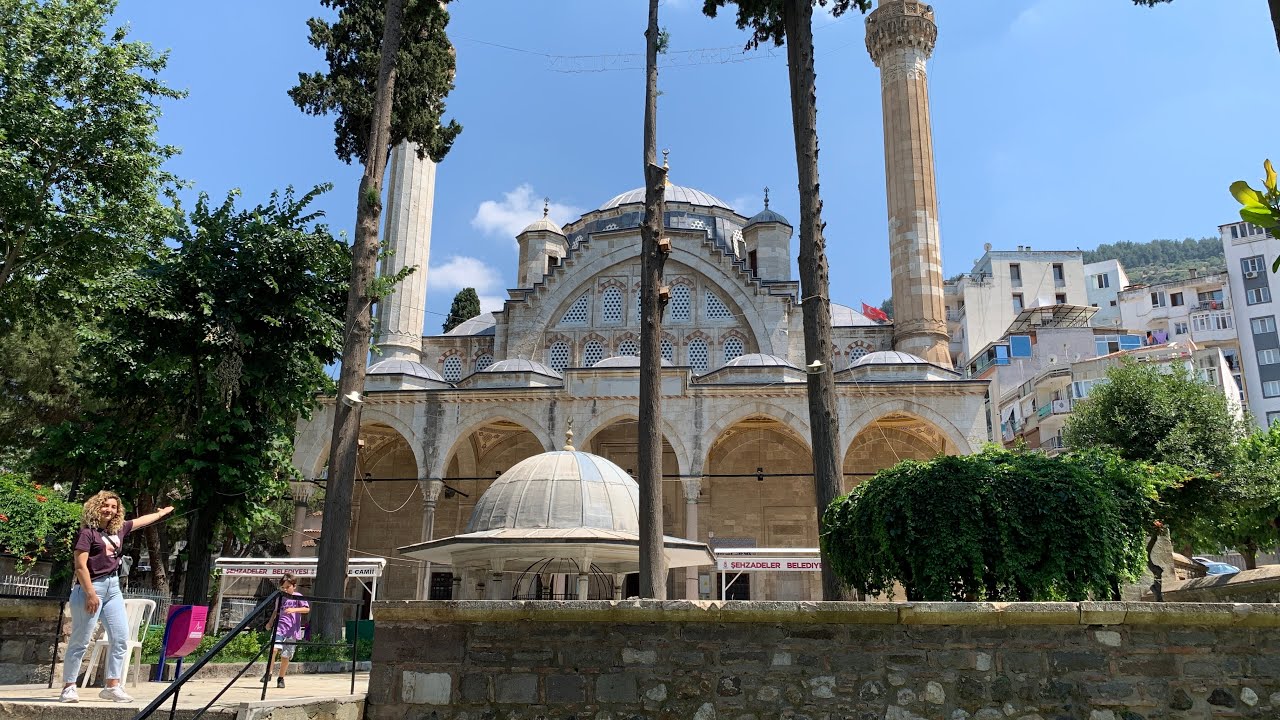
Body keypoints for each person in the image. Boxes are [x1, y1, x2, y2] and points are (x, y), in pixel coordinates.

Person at [60, 491, 174, 703]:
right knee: (81, 641)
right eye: (105, 506)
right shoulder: (88, 533)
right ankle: (68, 687)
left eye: (113, 507)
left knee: (121, 638)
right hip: (90, 588)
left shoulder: (119, 529)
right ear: (96, 507)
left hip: (113, 589)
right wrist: (91, 594)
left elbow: (141, 521)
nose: (109, 510)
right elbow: (80, 566)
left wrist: (163, 513)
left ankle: (112, 686)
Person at [262, 573, 309, 689]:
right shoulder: (280, 597)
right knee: (274, 649)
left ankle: (281, 678)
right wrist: (270, 622)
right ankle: (269, 672)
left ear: (294, 586)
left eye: (288, 587)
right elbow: (276, 611)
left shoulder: (298, 596)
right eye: (283, 587)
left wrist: (294, 609)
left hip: (292, 630)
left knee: (285, 656)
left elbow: (306, 609)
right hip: (280, 628)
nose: (285, 589)